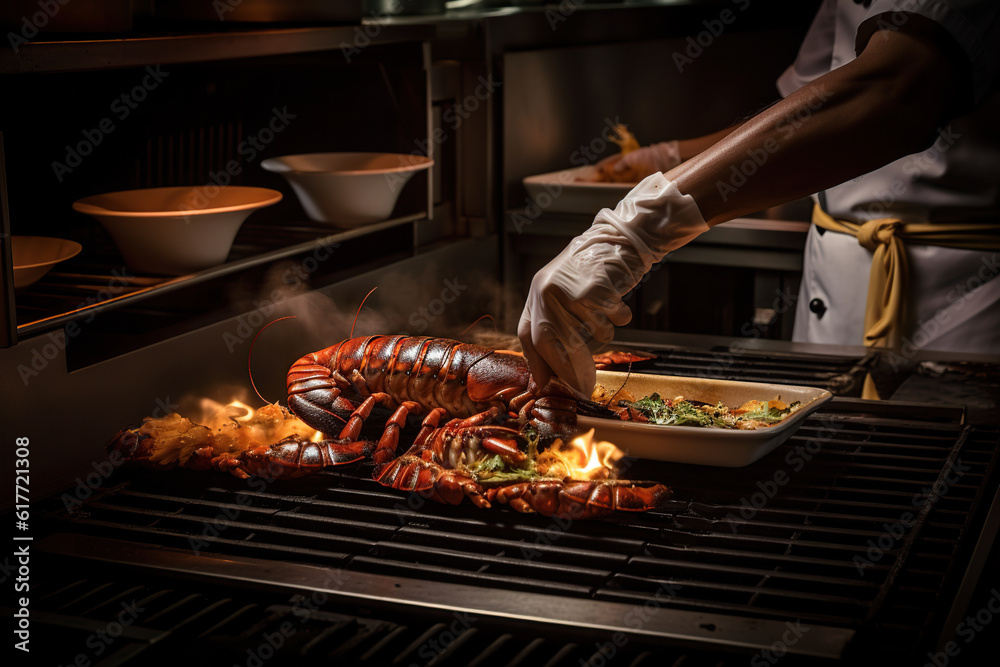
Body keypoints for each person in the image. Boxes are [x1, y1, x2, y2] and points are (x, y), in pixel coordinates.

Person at [518, 0, 1000, 400]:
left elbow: (894, 91)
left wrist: (634, 230)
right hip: (833, 287)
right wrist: (667, 158)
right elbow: (805, 114)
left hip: (960, 296)